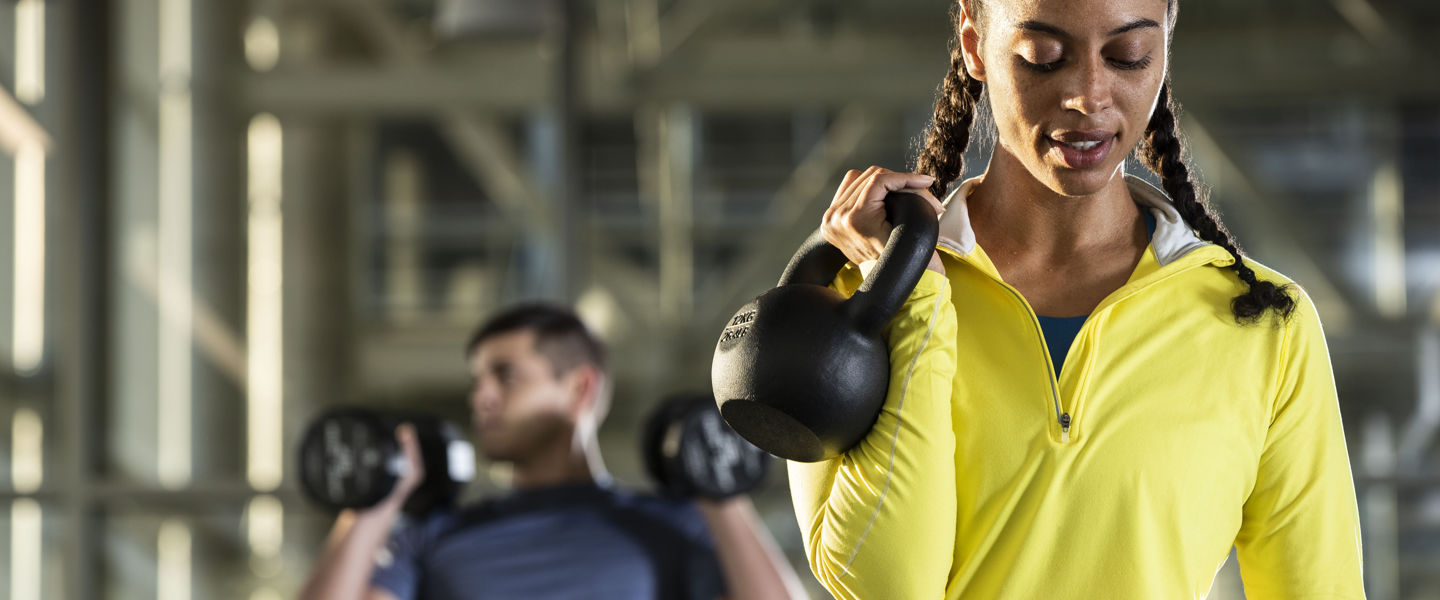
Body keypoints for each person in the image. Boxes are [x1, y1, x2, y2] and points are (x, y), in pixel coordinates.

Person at [789, 1, 1364, 598]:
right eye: (1044, 58)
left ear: (1164, 44)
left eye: (1127, 57)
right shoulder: (851, 306)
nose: (1090, 96)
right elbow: (889, 586)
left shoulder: (1265, 326)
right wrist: (916, 299)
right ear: (973, 40)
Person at [301, 304, 807, 600]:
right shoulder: (430, 536)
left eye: (506, 376)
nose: (481, 397)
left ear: (579, 389)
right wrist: (374, 501)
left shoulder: (677, 525)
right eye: (477, 380)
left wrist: (720, 493)